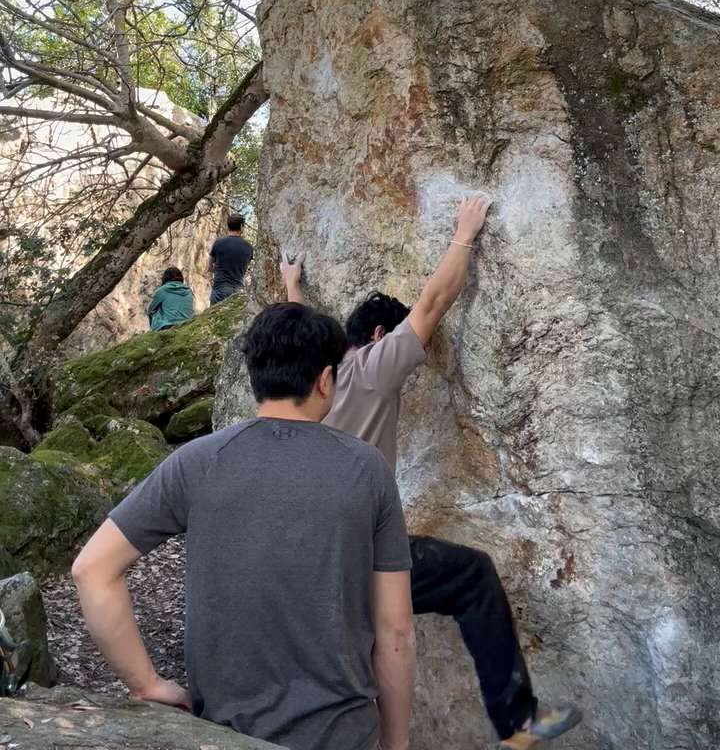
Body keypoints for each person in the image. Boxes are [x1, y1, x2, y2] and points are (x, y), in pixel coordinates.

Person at [280, 196, 581, 750]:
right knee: (472, 576)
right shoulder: (371, 370)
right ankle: (517, 723)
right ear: (377, 338)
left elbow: (294, 319)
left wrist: (291, 281)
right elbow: (433, 302)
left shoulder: (304, 375)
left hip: (299, 563)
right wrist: (466, 232)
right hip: (356, 558)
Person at [71, 300, 416, 750]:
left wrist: (147, 684)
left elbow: (91, 570)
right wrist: (396, 742)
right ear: (326, 380)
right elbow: (396, 631)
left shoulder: (198, 461)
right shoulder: (367, 470)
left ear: (255, 379)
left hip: (222, 733)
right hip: (341, 735)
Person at [208, 213, 253, 304]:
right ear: (241, 226)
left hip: (220, 288)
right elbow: (246, 266)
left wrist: (214, 271)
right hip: (238, 289)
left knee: (215, 316)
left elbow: (209, 266)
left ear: (228, 225)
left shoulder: (218, 243)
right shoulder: (248, 247)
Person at [146, 267, 195, 331]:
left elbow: (150, 310)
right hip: (187, 323)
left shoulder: (162, 290)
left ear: (165, 278)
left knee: (155, 310)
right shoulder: (188, 291)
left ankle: (156, 330)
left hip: (167, 325)